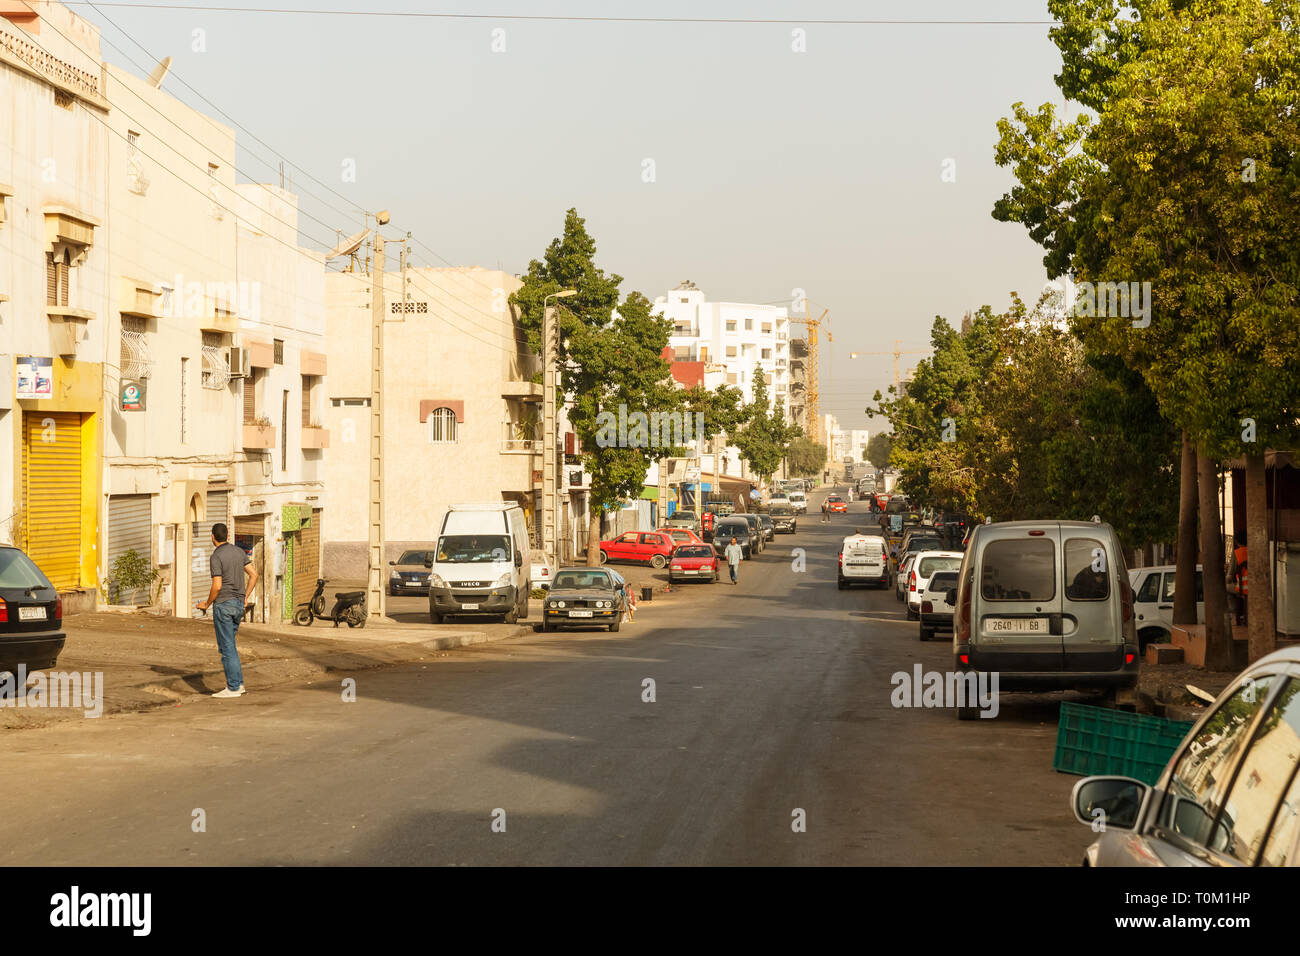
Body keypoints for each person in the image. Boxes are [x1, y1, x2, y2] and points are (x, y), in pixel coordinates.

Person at [196, 522, 258, 699]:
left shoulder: (216, 556)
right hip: (238, 605)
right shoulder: (238, 552)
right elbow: (254, 574)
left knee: (227, 647)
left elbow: (217, 586)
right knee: (228, 646)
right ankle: (237, 684)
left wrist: (206, 604)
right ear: (227, 535)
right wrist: (245, 596)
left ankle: (234, 687)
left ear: (212, 536)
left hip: (224, 605)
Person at [1228, 532, 1248, 625]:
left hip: (1243, 588)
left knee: (1225, 588)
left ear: (1236, 542)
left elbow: (1230, 575)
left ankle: (1234, 614)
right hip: (1256, 587)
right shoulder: (1253, 551)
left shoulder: (1237, 553)